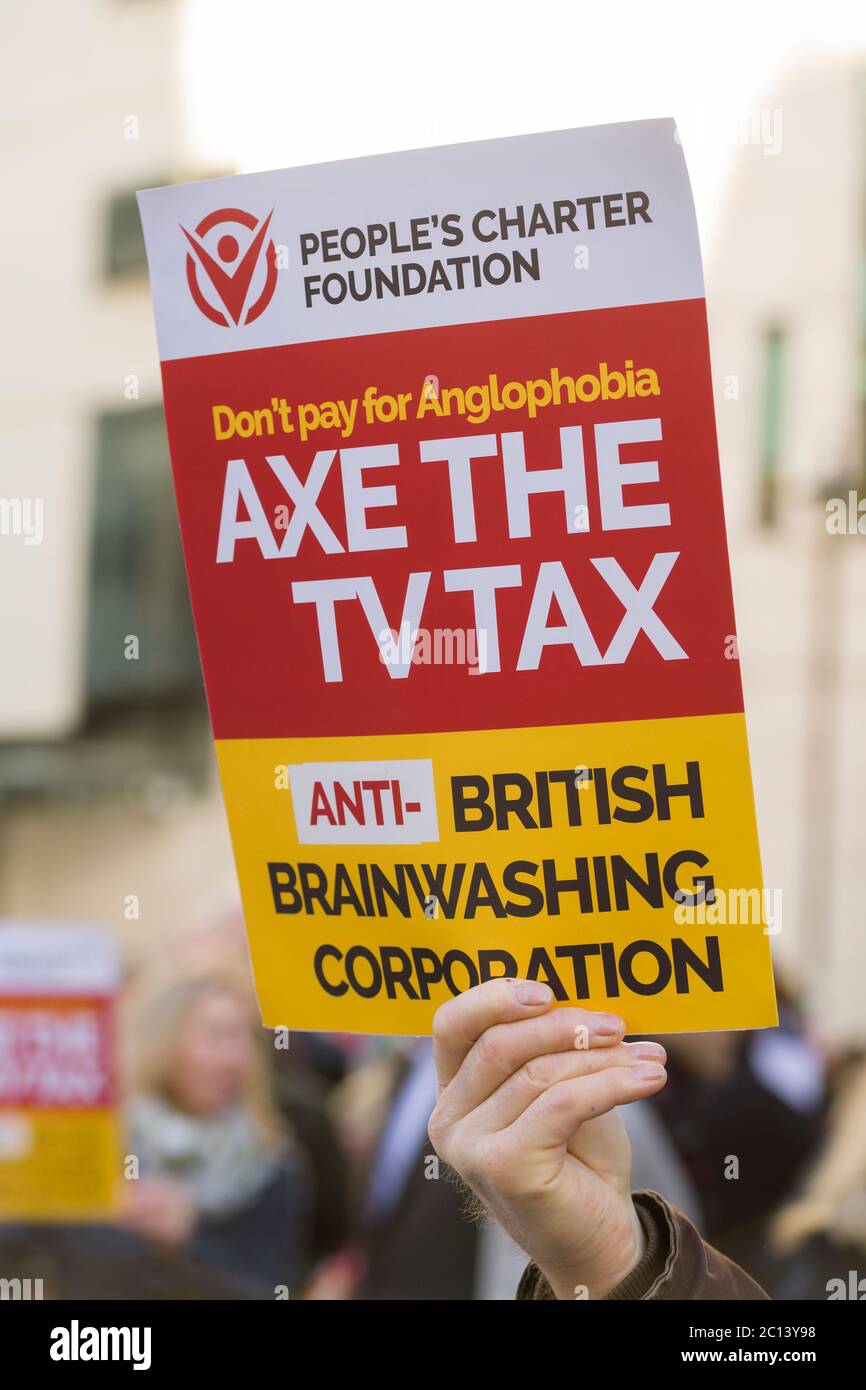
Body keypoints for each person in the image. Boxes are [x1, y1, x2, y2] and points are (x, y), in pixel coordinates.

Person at [427, 977, 769, 1299]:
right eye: (722, 991)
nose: (740, 1030)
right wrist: (604, 1261)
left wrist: (607, 1261)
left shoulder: (691, 1105)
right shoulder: (609, 1105)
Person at [121, 966, 310, 1295]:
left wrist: (189, 1237)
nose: (233, 1058)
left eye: (242, 1037)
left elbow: (270, 1285)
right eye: (216, 1036)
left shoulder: (273, 1166)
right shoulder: (115, 1148)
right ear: (165, 1042)